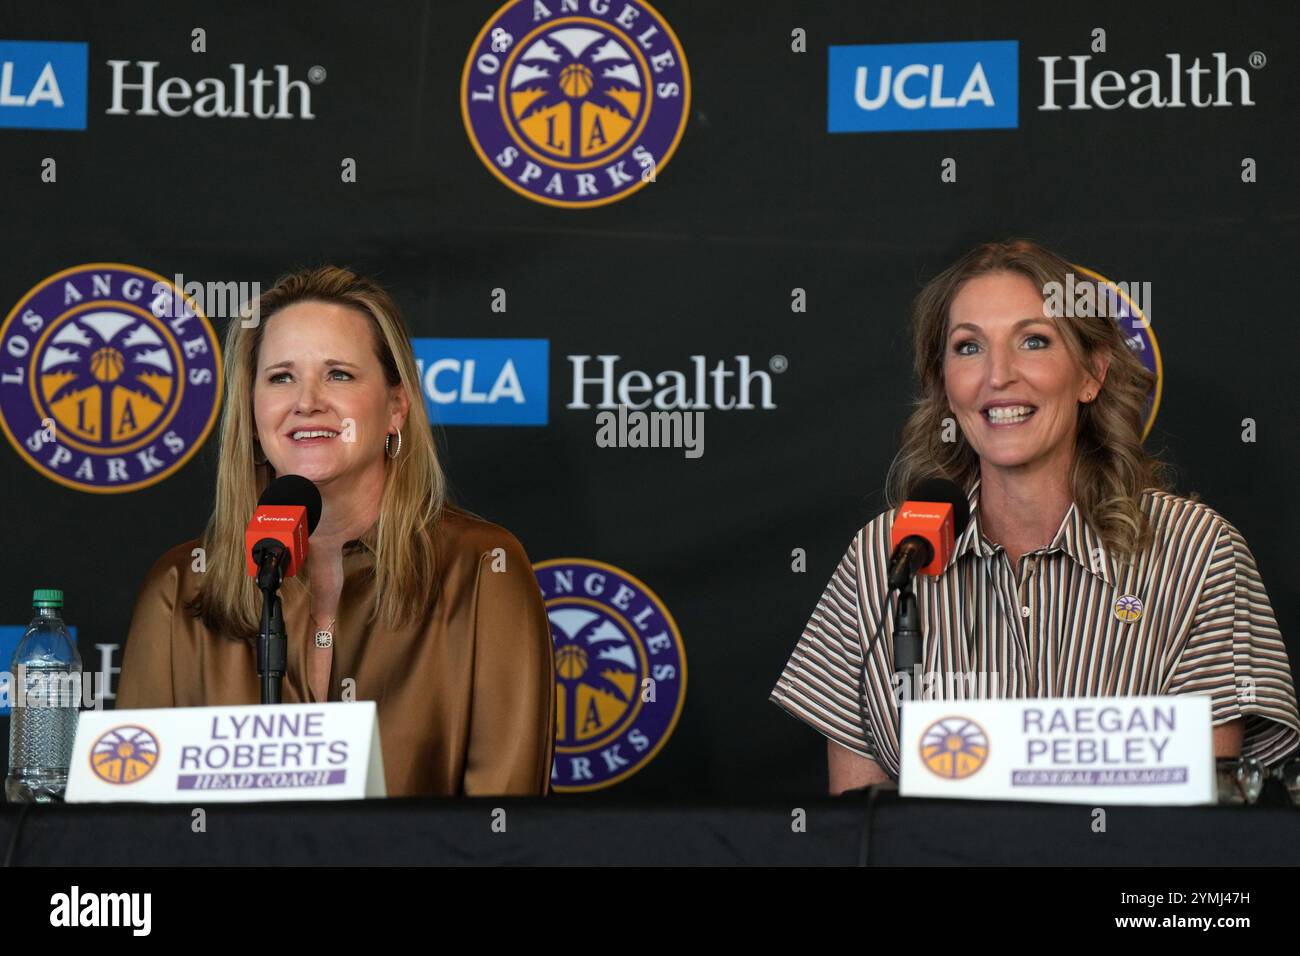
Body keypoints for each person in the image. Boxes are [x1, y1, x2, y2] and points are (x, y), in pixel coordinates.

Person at [770, 239, 1300, 794]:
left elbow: (1205, 824)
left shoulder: (1195, 552)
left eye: (1033, 341)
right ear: (946, 387)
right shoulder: (887, 555)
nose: (998, 376)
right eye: (968, 347)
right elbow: (860, 832)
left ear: (1091, 374)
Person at [117, 266, 555, 797]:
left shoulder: (485, 569)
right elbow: (132, 820)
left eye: (338, 375)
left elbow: (503, 825)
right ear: (252, 412)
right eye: (281, 377)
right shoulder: (180, 584)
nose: (307, 401)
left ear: (397, 406)